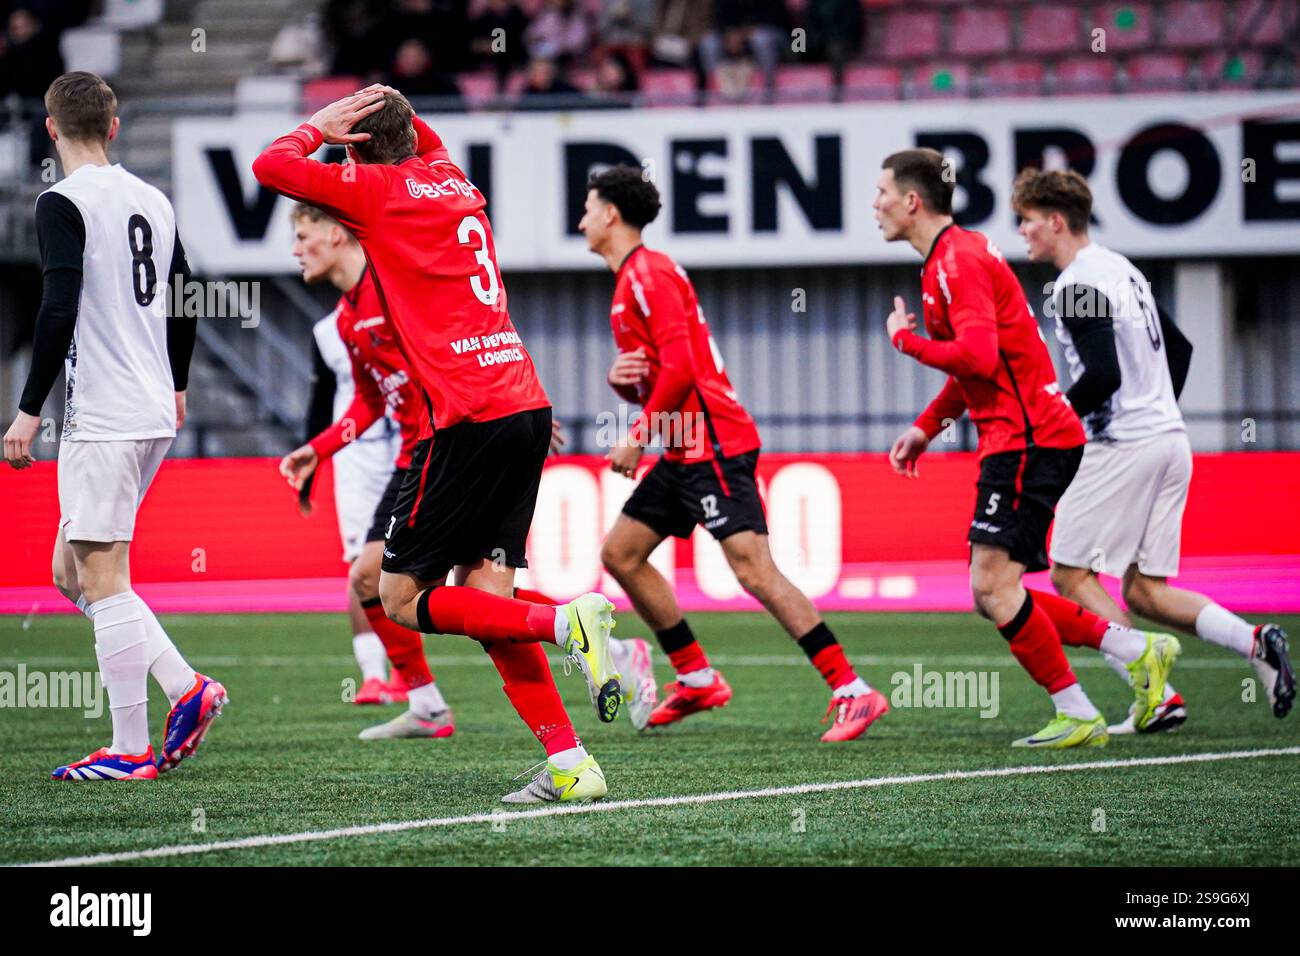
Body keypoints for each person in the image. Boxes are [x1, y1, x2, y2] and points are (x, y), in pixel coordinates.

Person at [252, 83, 620, 804]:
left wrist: (317, 126)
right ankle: (572, 764)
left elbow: (272, 166)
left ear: (357, 150)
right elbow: (409, 131)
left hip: (466, 417)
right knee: (488, 602)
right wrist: (387, 104)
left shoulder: (377, 192)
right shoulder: (453, 174)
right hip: (524, 403)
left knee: (396, 596)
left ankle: (562, 620)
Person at [876, 148, 1179, 748]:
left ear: (912, 201)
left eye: (882, 192)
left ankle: (1079, 709)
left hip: (1028, 439)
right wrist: (927, 427)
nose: (875, 204)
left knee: (992, 588)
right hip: (1024, 436)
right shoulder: (950, 259)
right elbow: (976, 372)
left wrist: (906, 342)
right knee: (992, 591)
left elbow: (979, 357)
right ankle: (1135, 651)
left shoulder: (955, 263)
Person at [580, 164, 888, 742]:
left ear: (611, 215)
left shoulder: (648, 273)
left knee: (754, 570)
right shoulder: (631, 281)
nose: (582, 219)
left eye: (589, 207)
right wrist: (625, 385)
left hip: (712, 443)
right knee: (621, 553)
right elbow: (662, 372)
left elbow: (685, 368)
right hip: (684, 449)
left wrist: (637, 431)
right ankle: (696, 677)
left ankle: (852, 690)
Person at [1012, 166, 1294, 730]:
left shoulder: (1076, 285)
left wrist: (1049, 424)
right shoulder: (1123, 271)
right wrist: (1158, 410)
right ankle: (1255, 640)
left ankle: (1154, 693)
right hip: (1170, 441)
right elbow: (1181, 350)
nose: (1022, 233)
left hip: (1123, 446)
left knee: (1069, 575)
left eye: (1026, 221)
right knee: (1145, 591)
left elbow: (1102, 375)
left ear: (1056, 220)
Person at [2, 72, 225, 780]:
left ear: (50, 129)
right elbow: (187, 293)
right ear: (116, 126)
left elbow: (57, 305)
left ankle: (132, 747)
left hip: (102, 412)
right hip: (152, 405)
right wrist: (180, 382)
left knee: (103, 577)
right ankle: (183, 686)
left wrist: (28, 409)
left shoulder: (62, 201)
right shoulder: (151, 198)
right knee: (71, 571)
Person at [282, 202, 457, 740]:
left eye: (303, 234)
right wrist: (322, 447)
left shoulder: (396, 287)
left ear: (336, 234)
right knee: (366, 576)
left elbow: (461, 343)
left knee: (479, 587)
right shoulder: (349, 318)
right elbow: (367, 401)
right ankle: (425, 704)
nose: (295, 248)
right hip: (413, 458)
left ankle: (594, 640)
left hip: (449, 447)